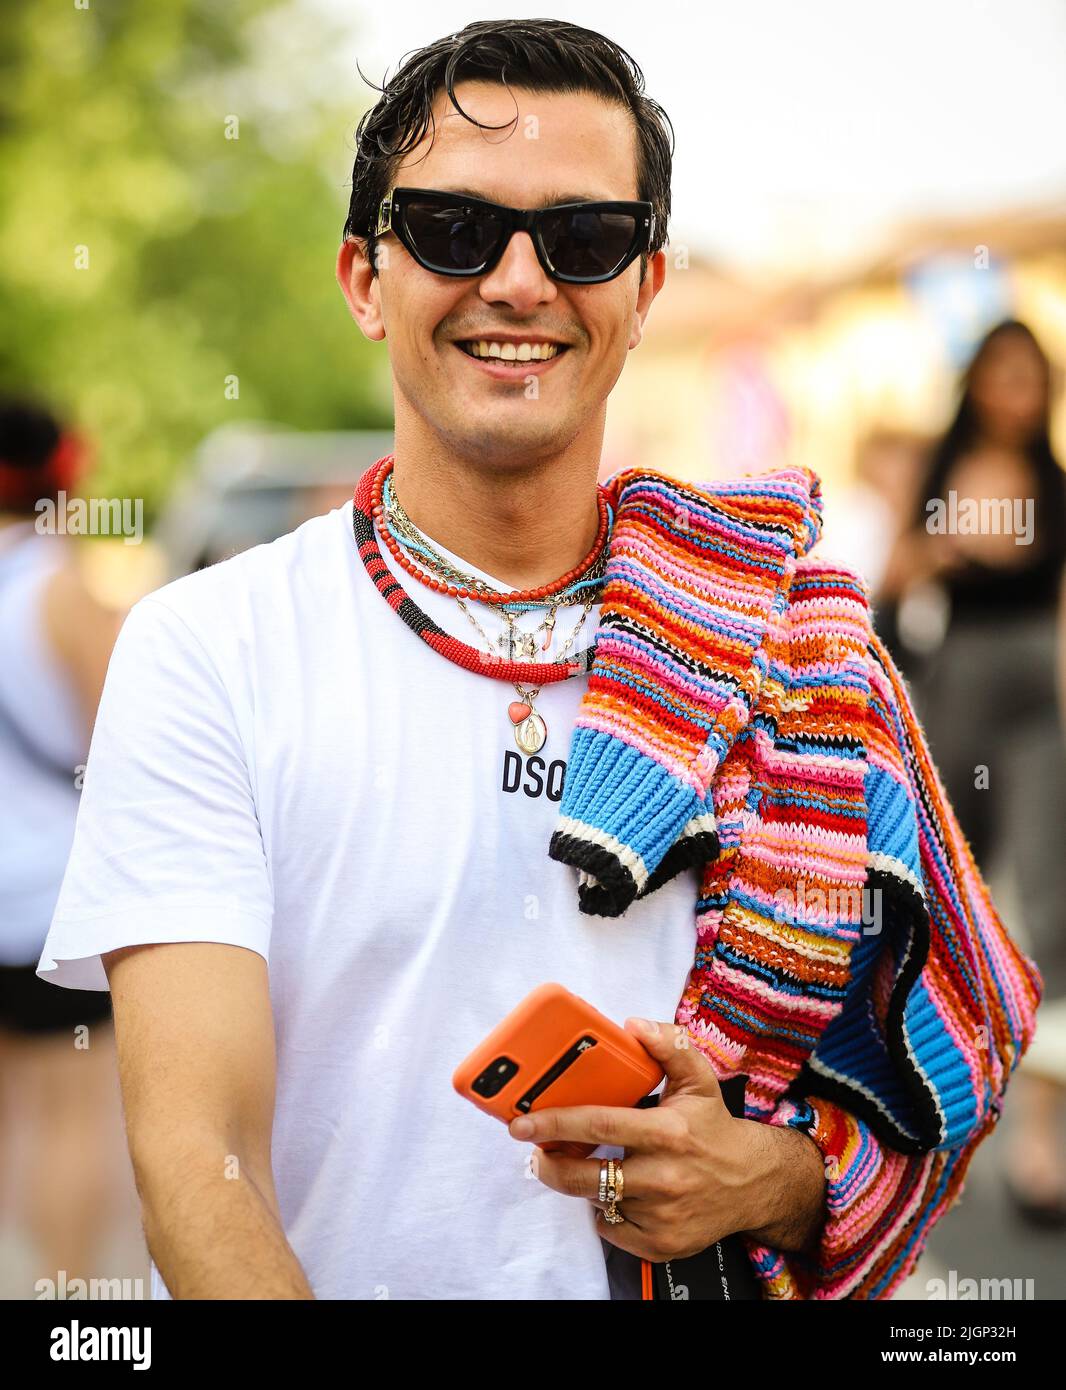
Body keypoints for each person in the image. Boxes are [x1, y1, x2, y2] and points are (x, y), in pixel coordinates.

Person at [35, 20, 1040, 1300]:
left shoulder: (792, 646)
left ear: (645, 288)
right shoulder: (208, 650)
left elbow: (924, 1077)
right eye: (454, 229)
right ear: (362, 277)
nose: (518, 282)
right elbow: (201, 1166)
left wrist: (775, 1179)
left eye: (582, 239)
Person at [880, 321, 1066, 1226]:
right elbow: (891, 587)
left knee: (1050, 912)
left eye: (1030, 376)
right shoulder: (941, 466)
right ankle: (912, 1110)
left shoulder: (1058, 485)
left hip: (1040, 708)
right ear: (979, 383)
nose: (1015, 390)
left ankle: (1040, 1145)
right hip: (953, 696)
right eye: (1001, 373)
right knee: (935, 900)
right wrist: (946, 549)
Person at [0, 398, 123, 1289]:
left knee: (14, 1116)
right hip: (51, 900)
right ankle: (69, 1303)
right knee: (78, 1114)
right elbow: (117, 749)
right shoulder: (59, 588)